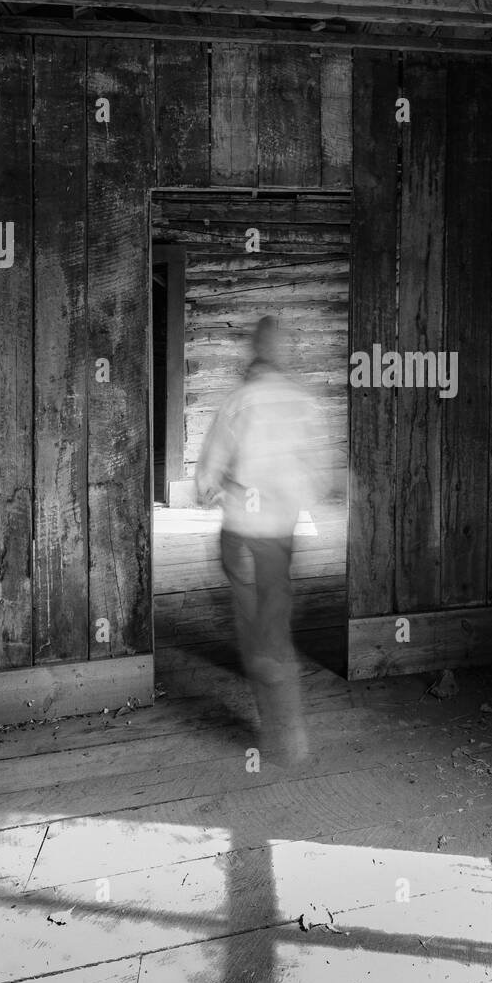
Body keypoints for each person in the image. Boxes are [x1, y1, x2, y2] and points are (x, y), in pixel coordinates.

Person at [195, 316, 319, 765]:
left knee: (252, 616)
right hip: (279, 534)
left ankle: (281, 726)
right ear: (286, 355)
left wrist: (211, 488)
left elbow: (206, 478)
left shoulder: (238, 403)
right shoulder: (303, 404)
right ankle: (286, 722)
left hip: (241, 533)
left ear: (253, 352)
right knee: (274, 607)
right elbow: (316, 473)